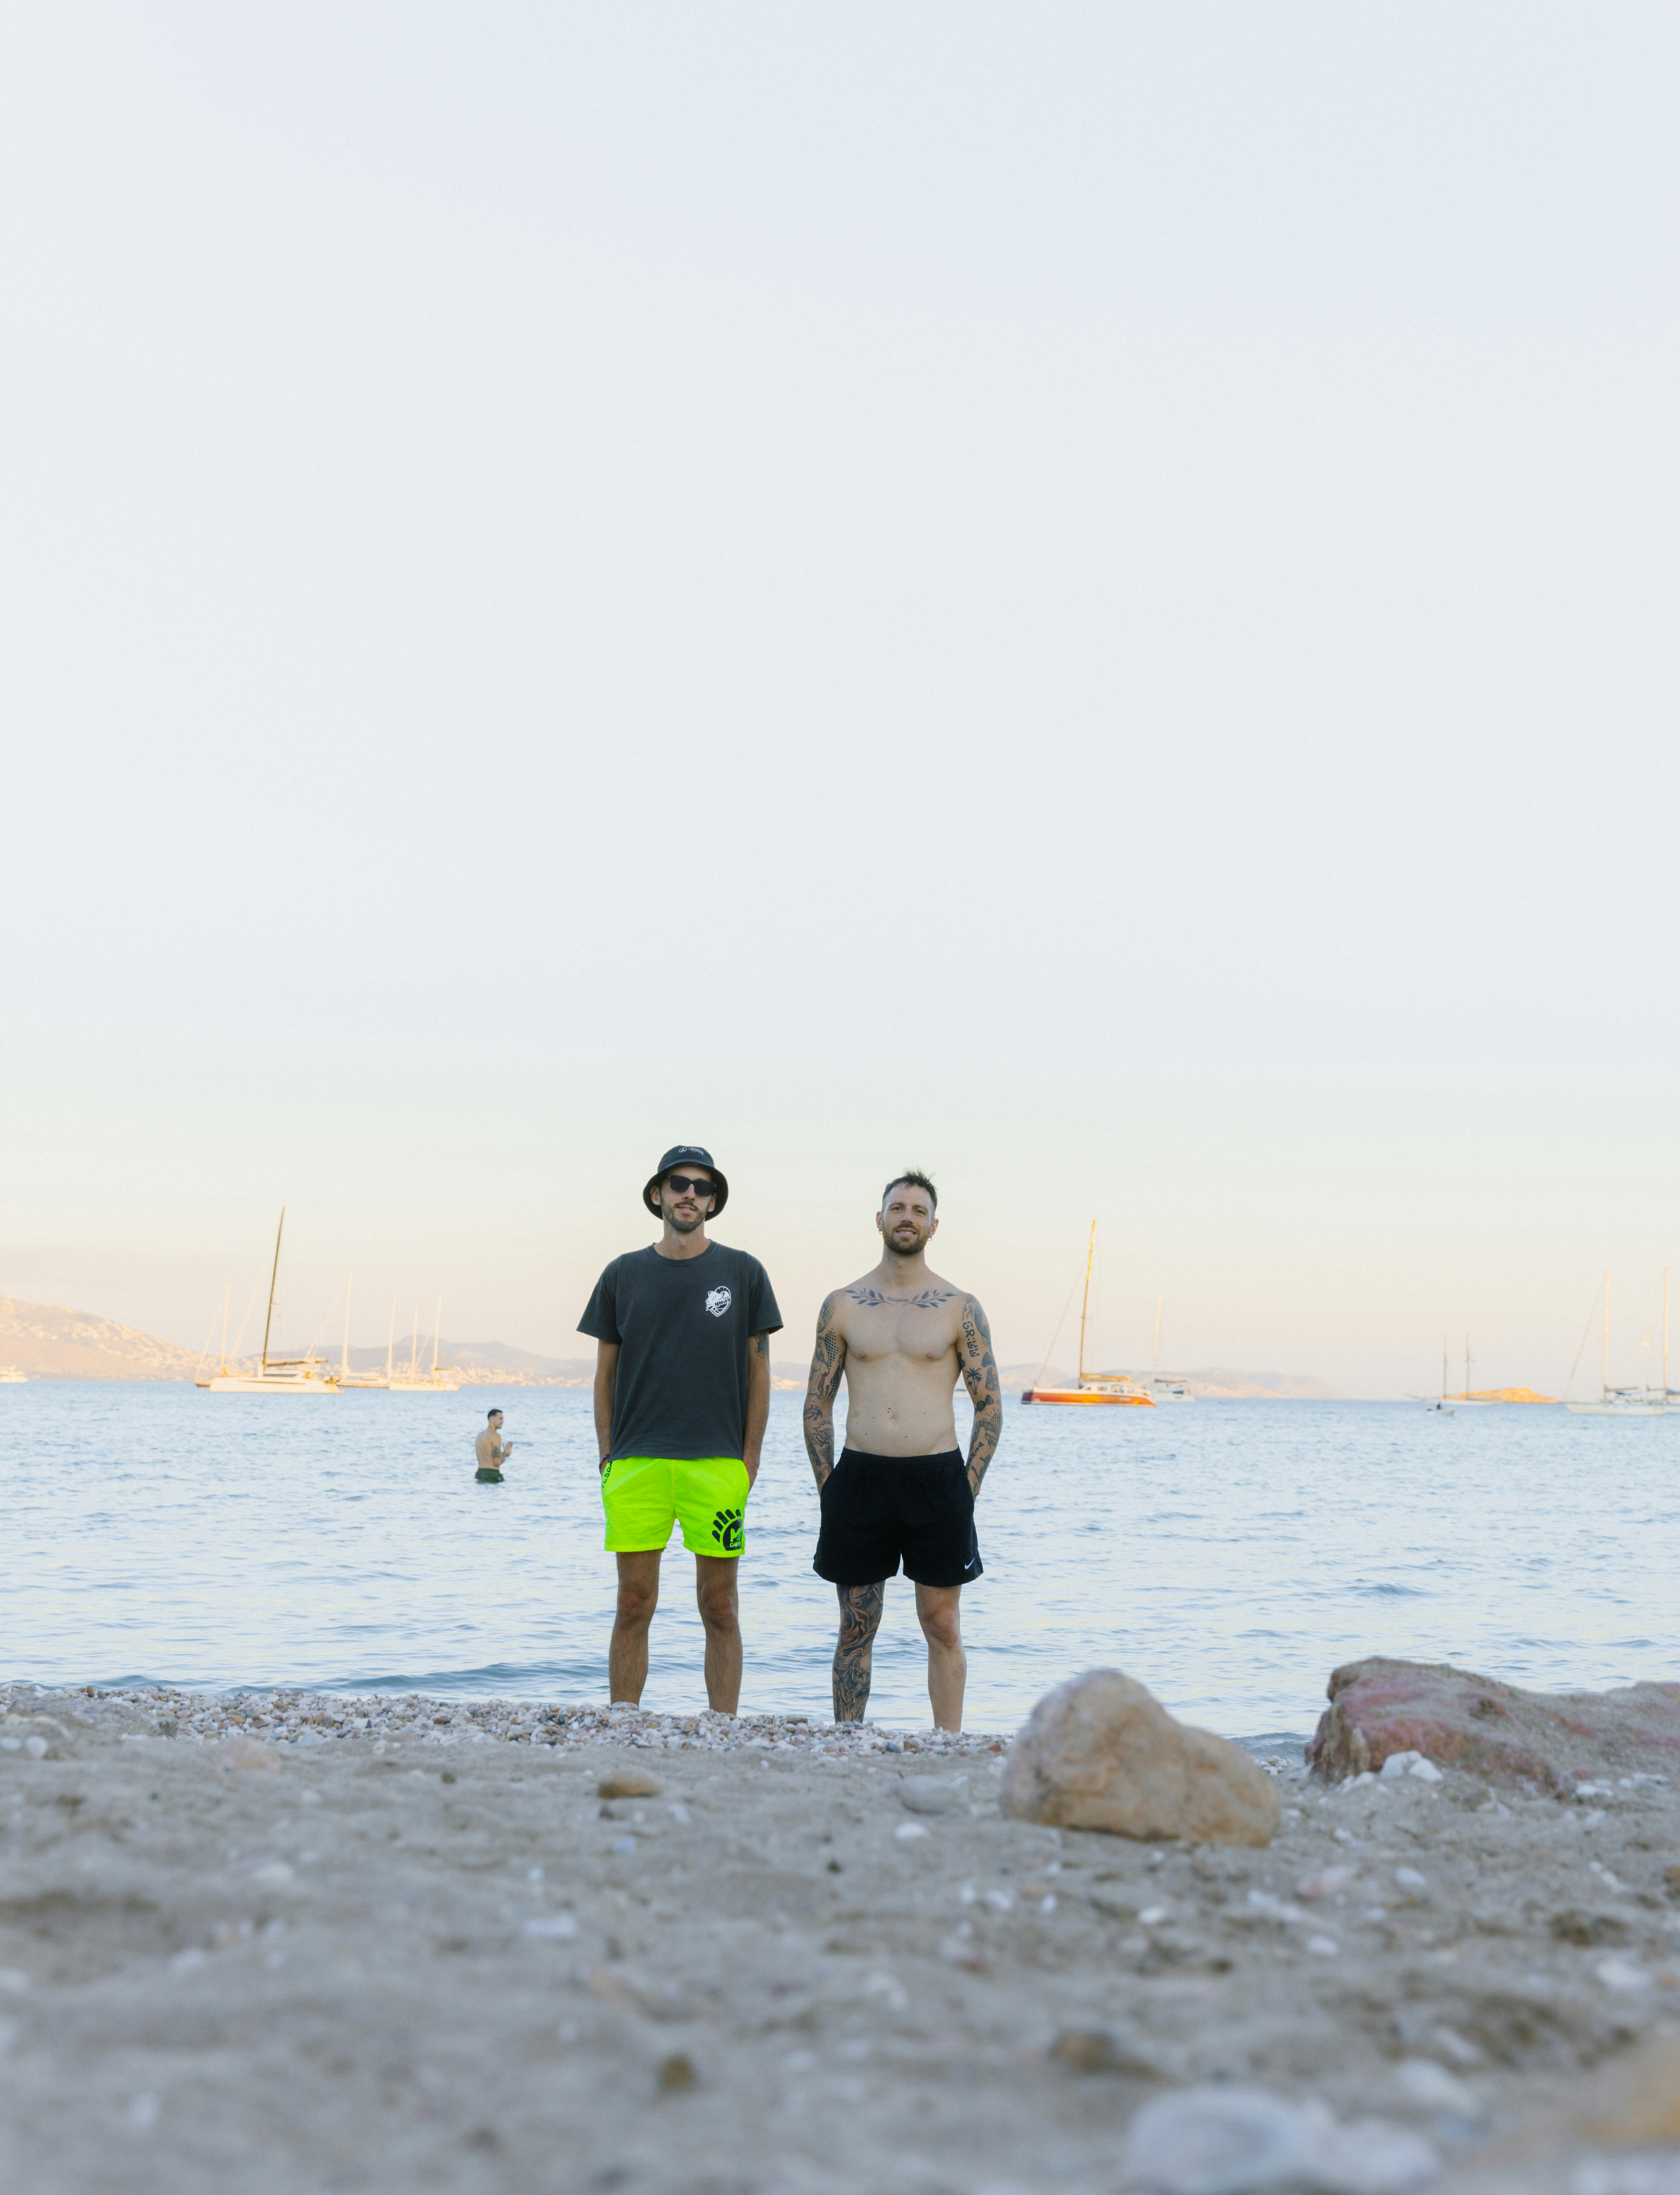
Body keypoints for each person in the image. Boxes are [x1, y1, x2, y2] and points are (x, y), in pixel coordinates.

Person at [579, 1145, 781, 1715]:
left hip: (717, 1465)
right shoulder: (623, 1273)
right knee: (632, 1602)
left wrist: (750, 1459)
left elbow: (760, 1370)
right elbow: (604, 1374)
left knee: (720, 1606)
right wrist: (607, 1454)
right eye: (678, 1184)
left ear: (712, 1201)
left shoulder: (743, 1272)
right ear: (658, 1195)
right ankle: (624, 1720)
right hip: (637, 1462)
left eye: (700, 1186)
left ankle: (723, 1726)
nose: (689, 1193)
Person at [803, 1170, 1002, 1733]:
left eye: (918, 1209)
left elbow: (989, 1406)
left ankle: (948, 1742)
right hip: (859, 1478)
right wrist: (829, 1485)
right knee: (854, 1628)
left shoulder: (959, 1307)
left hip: (937, 1482)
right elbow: (816, 1404)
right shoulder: (841, 1305)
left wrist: (967, 1489)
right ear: (880, 1218)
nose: (907, 1216)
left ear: (934, 1225)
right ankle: (847, 1738)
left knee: (941, 1626)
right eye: (898, 1207)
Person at [474, 1409, 513, 1484]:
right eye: (500, 1419)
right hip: (492, 1475)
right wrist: (506, 1454)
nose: (503, 1422)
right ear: (492, 1419)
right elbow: (497, 1462)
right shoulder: (496, 1436)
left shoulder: (480, 1436)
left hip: (479, 1473)